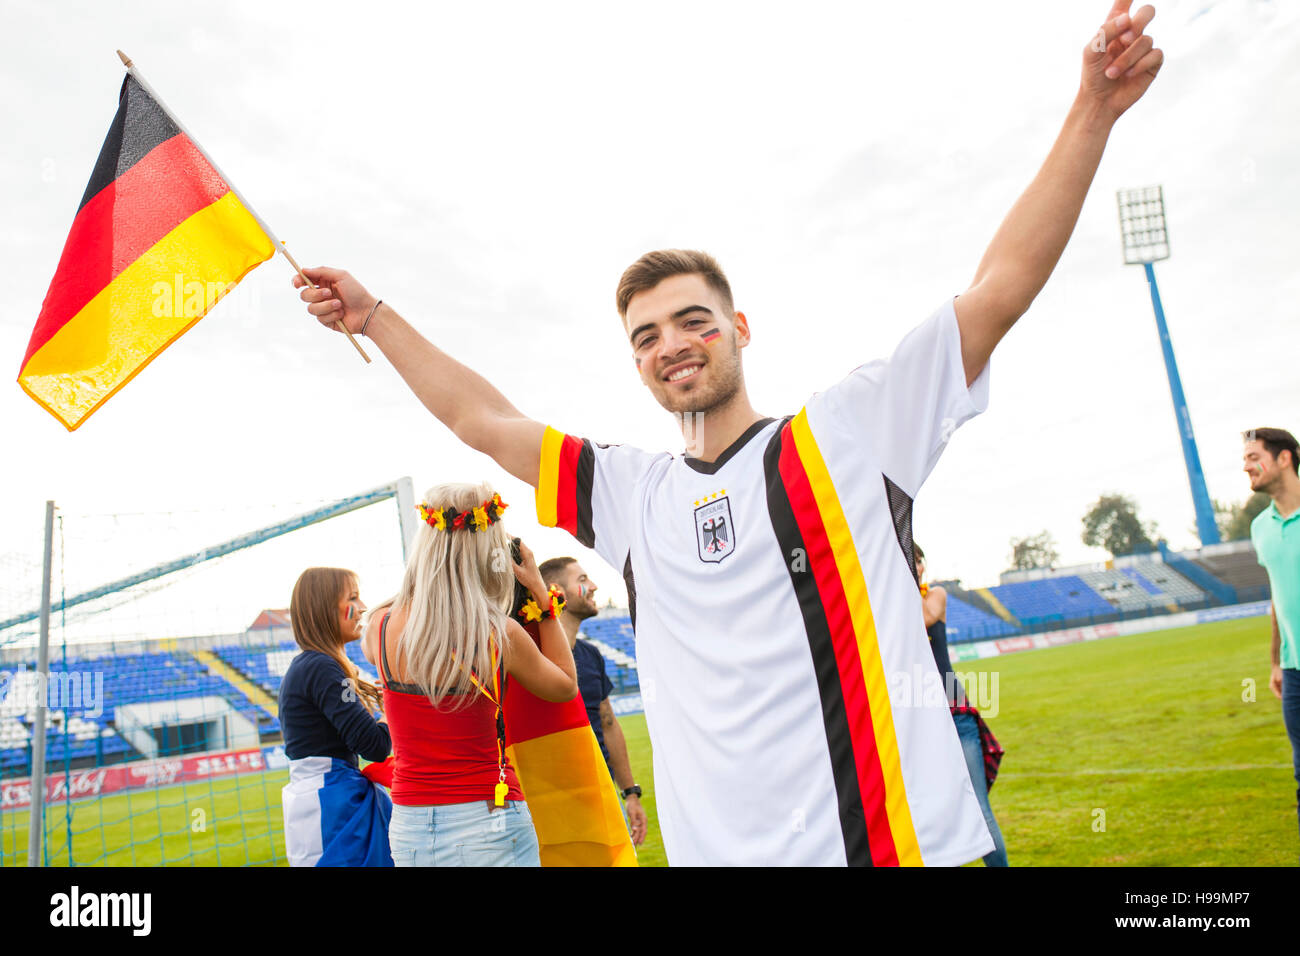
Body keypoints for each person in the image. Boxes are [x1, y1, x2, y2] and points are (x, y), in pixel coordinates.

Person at [296, 4, 1162, 865]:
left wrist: (1092, 109)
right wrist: (374, 317)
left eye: (692, 321)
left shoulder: (849, 433)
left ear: (740, 327)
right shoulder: (631, 494)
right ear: (636, 363)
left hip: (892, 851)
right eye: (646, 335)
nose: (670, 344)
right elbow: (481, 421)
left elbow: (996, 294)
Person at [362, 482, 578, 867]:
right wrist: (541, 594)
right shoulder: (497, 634)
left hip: (410, 823)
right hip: (488, 818)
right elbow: (564, 685)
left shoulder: (378, 626)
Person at [279, 567, 393, 867]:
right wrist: (396, 701)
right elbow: (375, 745)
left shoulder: (316, 666)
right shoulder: (321, 667)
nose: (364, 607)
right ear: (324, 609)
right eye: (353, 598)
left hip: (327, 802)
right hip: (329, 806)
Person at [539, 556, 649, 846]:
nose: (594, 586)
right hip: (548, 806)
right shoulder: (532, 656)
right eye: (582, 580)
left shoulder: (591, 655)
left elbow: (608, 724)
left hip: (600, 794)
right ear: (556, 591)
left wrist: (630, 793)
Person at [914, 543, 1007, 866]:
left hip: (955, 712)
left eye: (919, 560)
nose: (919, 567)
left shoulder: (934, 594)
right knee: (925, 810)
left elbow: (925, 617)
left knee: (978, 809)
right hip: (918, 716)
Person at [1243, 427, 1300, 843]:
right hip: (1295, 672)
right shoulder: (1261, 527)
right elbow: (1278, 598)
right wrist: (1277, 661)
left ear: (1285, 458)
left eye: (1253, 456)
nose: (1246, 466)